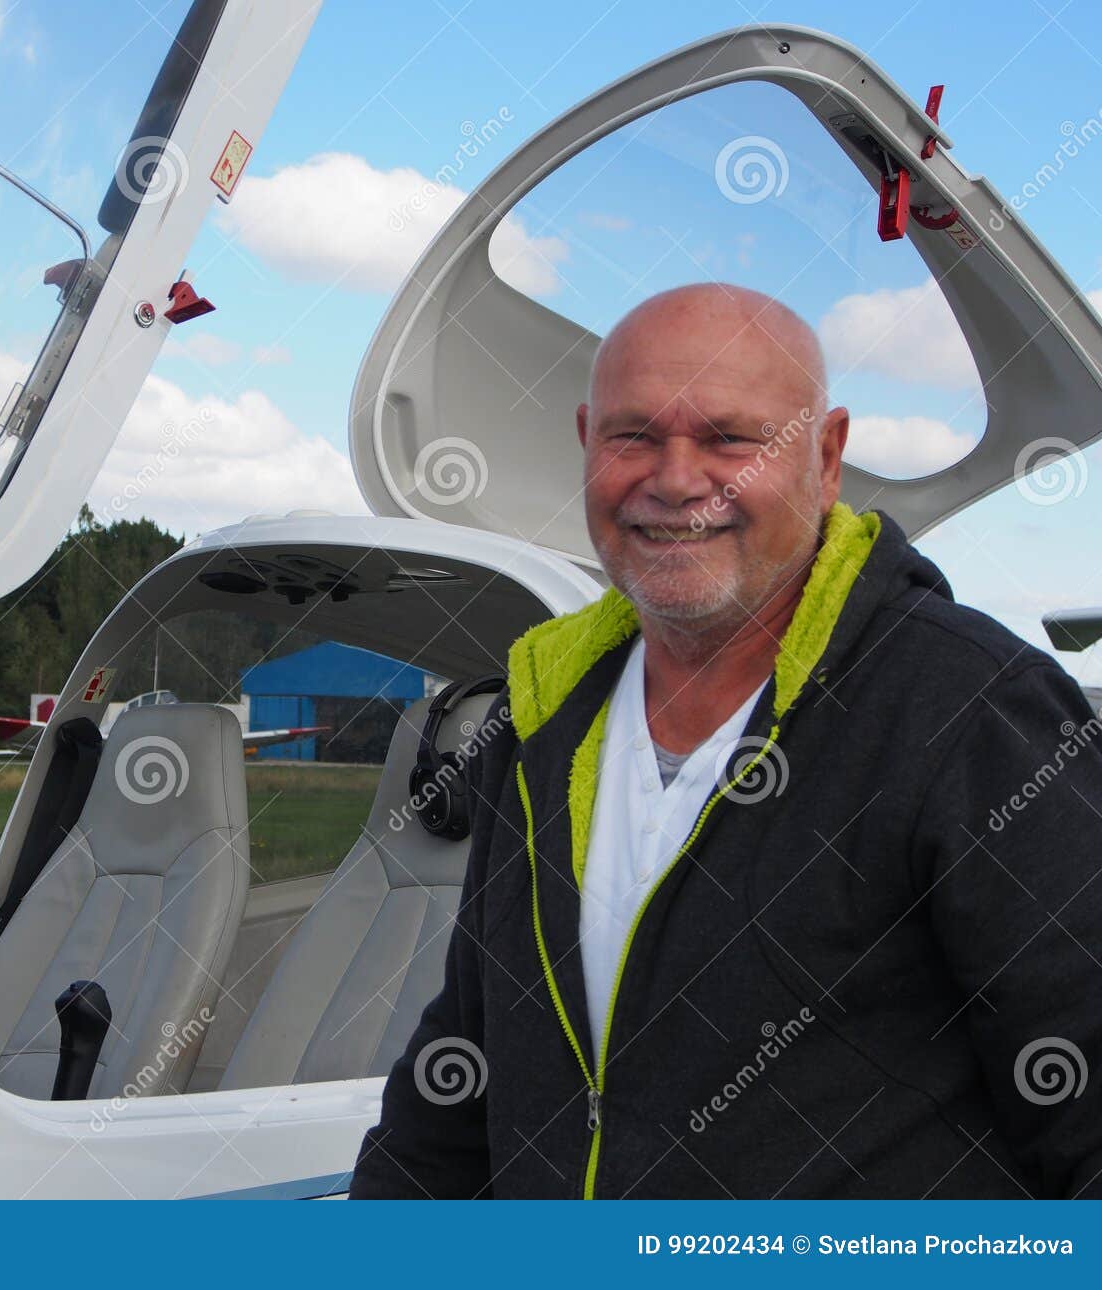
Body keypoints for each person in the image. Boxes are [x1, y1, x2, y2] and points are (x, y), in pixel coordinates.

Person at [349, 283, 1102, 1198]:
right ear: (587, 442)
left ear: (825, 459)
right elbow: (460, 1070)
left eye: (728, 438)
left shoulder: (971, 711)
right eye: (633, 435)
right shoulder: (544, 715)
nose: (673, 479)